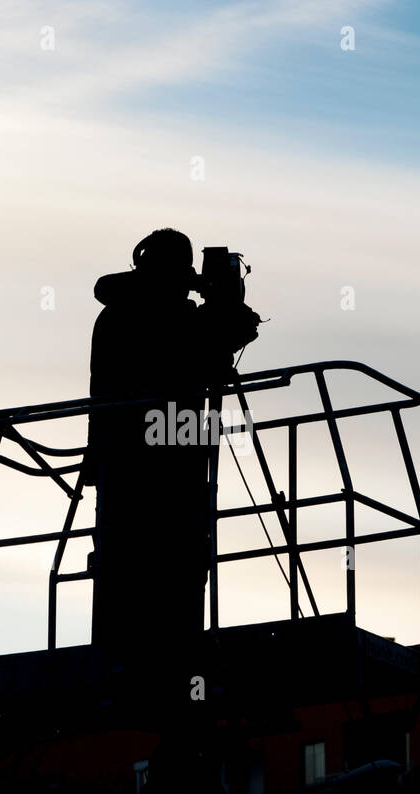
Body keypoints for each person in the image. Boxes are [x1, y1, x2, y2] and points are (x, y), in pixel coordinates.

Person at [85, 229, 258, 673]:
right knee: (172, 559)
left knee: (132, 564)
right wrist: (224, 303)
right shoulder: (161, 318)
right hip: (166, 462)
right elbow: (221, 335)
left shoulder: (118, 314)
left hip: (123, 462)